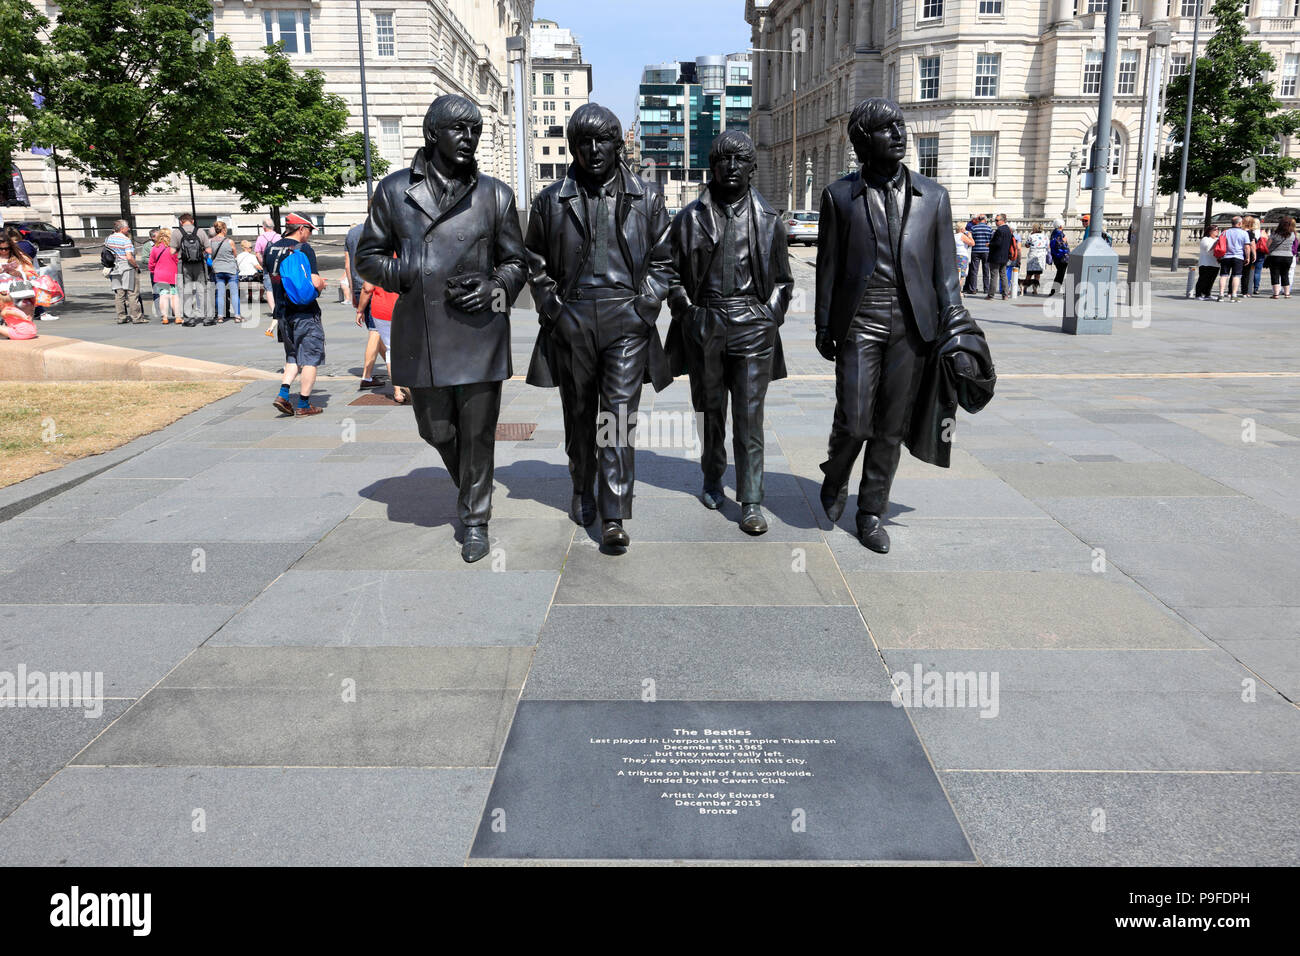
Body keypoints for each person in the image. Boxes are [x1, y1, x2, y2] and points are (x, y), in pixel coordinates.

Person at [814, 97, 994, 554]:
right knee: (855, 420)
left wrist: (953, 328)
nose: (898, 134)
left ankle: (871, 511)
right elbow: (828, 268)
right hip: (860, 319)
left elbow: (945, 274)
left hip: (914, 325)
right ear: (862, 141)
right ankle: (835, 472)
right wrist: (823, 325)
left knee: (890, 425)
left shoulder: (933, 197)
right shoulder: (838, 196)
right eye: (885, 128)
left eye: (900, 126)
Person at [357, 94, 527, 563]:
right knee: (436, 430)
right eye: (459, 129)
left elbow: (518, 262)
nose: (469, 138)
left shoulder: (495, 194)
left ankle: (475, 519)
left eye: (475, 131)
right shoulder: (394, 192)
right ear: (433, 134)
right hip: (423, 332)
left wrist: (495, 285)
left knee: (478, 434)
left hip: (480, 331)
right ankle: (474, 484)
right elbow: (366, 257)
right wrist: (404, 272)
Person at [524, 102, 675, 552]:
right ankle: (580, 485)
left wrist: (643, 308)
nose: (593, 150)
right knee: (579, 414)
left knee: (618, 415)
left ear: (618, 143)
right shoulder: (551, 200)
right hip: (572, 318)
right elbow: (534, 262)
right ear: (572, 146)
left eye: (603, 140)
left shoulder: (646, 197)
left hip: (626, 319)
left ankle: (614, 512)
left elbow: (664, 261)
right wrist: (554, 310)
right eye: (584, 142)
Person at [666, 130, 793, 536]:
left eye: (741, 160)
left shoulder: (769, 219)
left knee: (750, 416)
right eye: (724, 160)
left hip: (752, 325)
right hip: (707, 321)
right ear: (712, 166)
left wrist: (769, 315)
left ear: (753, 167)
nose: (732, 167)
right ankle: (711, 474)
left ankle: (751, 499)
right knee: (709, 410)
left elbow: (784, 281)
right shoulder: (688, 218)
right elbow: (668, 271)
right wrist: (687, 310)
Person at [264, 213, 328, 416]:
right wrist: (321, 286)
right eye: (309, 230)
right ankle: (303, 404)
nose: (309, 235)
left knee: (292, 356)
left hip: (282, 313)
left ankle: (283, 394)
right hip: (305, 312)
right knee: (310, 358)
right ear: (301, 228)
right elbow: (315, 281)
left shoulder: (270, 248)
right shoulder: (303, 249)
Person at [344, 209, 386, 389]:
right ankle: (367, 376)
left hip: (358, 284)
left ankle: (394, 367)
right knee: (375, 331)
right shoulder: (382, 231)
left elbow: (347, 264)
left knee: (379, 332)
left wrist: (353, 292)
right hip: (375, 286)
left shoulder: (352, 233)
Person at [171, 213, 211, 326]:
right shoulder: (200, 231)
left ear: (180, 222)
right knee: (202, 290)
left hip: (183, 265)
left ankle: (189, 319)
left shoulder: (176, 232)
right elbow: (209, 250)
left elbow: (172, 252)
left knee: (185, 290)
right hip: (199, 264)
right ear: (192, 221)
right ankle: (207, 317)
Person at [106, 219, 147, 324]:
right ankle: (136, 317)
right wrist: (136, 265)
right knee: (132, 292)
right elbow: (129, 257)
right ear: (122, 228)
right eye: (127, 227)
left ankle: (121, 317)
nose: (129, 228)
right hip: (127, 267)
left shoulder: (108, 239)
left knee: (119, 294)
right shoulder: (125, 240)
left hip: (114, 267)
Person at [208, 221, 240, 322]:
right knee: (234, 293)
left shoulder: (210, 242)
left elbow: (210, 255)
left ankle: (220, 316)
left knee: (220, 293)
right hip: (230, 269)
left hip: (218, 270)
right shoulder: (230, 241)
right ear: (224, 229)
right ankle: (237, 316)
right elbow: (235, 255)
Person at [149, 228, 181, 324]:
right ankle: (178, 317)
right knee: (174, 296)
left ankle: (165, 317)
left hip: (160, 275)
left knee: (163, 296)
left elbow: (151, 263)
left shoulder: (155, 248)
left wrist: (153, 271)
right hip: (172, 274)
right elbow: (177, 261)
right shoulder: (173, 248)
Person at [1218, 215, 1250, 302]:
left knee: (1223, 276)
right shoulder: (1244, 233)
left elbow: (1220, 243)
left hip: (1226, 256)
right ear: (1240, 223)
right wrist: (1248, 257)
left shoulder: (1225, 232)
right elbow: (1247, 247)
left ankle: (1221, 294)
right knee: (1236, 276)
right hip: (1238, 257)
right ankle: (1234, 295)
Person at [1265, 215, 1298, 298]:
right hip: (1288, 256)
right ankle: (1287, 294)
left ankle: (1276, 294)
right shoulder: (1292, 234)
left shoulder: (1275, 234)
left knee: (1275, 274)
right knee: (1285, 274)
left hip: (1275, 256)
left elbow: (1267, 245)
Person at [254, 217, 281, 308]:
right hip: (278, 266)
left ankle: (273, 311)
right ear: (273, 227)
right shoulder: (279, 237)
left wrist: (263, 263)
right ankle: (280, 308)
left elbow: (257, 253)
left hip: (267, 266)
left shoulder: (260, 238)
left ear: (264, 227)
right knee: (279, 286)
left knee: (269, 289)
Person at [987, 213, 1014, 300]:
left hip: (996, 256)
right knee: (1003, 275)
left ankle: (991, 295)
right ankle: (1005, 294)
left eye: (997, 220)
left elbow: (997, 243)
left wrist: (989, 244)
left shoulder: (999, 230)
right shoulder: (1008, 230)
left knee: (994, 276)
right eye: (995, 220)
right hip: (1004, 256)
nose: (995, 222)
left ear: (1002, 221)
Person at [963, 214, 992, 295]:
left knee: (974, 271)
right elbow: (991, 240)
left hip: (975, 251)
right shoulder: (989, 228)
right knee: (986, 270)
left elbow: (971, 239)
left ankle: (973, 289)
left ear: (978, 220)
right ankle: (986, 289)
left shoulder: (974, 228)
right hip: (986, 251)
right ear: (985, 220)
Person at [1195, 224, 1222, 301]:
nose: (1217, 231)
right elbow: (1208, 248)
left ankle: (1207, 293)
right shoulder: (1205, 239)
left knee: (1211, 279)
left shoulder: (1217, 239)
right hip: (1205, 262)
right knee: (1203, 279)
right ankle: (1198, 294)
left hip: (1215, 262)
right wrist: (1217, 242)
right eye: (1215, 230)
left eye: (1218, 229)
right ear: (1209, 231)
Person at [1023, 223, 1049, 295]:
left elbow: (1027, 245)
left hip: (1032, 256)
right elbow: (1048, 246)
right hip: (1041, 257)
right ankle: (1035, 289)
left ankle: (1024, 288)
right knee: (1037, 275)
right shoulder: (1045, 236)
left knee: (1029, 274)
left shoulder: (1031, 236)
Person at [1241, 215, 1263, 297]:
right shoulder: (1250, 233)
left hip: (1239, 253)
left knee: (1235, 274)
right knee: (1246, 274)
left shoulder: (1240, 231)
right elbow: (1252, 245)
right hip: (1247, 253)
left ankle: (1230, 291)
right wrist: (1254, 254)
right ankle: (1245, 291)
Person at [1047, 219, 1070, 296]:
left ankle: (1054, 290)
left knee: (1059, 273)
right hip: (1062, 257)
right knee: (1060, 274)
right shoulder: (1060, 233)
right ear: (1060, 226)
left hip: (1056, 256)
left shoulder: (1053, 233)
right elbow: (1061, 245)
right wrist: (1064, 241)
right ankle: (1054, 291)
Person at [236, 239, 261, 307]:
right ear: (246, 248)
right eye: (251, 247)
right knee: (264, 279)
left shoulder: (238, 256)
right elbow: (258, 267)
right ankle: (259, 297)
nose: (251, 249)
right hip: (251, 277)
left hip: (241, 277)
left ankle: (248, 297)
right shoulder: (252, 256)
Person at [954, 225, 973, 290]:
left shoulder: (954, 235)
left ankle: (956, 290)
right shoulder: (962, 236)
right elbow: (972, 243)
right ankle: (958, 291)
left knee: (956, 274)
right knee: (962, 275)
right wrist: (970, 236)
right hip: (962, 256)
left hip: (955, 255)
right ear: (962, 229)